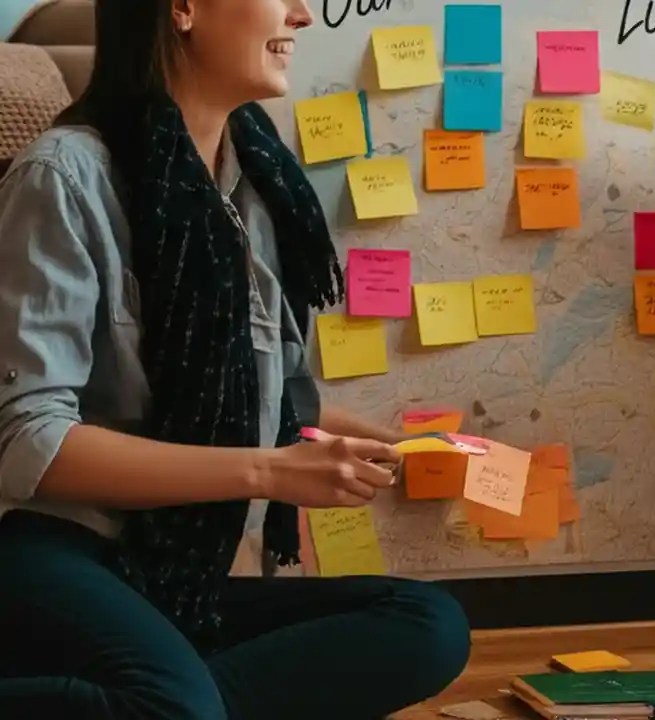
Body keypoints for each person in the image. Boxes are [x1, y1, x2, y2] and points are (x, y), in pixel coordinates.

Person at [0, 0, 470, 717]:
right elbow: (29, 442)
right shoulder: (62, 179)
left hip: (173, 567)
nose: (302, 14)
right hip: (54, 552)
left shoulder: (255, 180)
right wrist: (270, 470)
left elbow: (277, 403)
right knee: (180, 705)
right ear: (183, 8)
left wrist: (402, 447)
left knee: (429, 626)